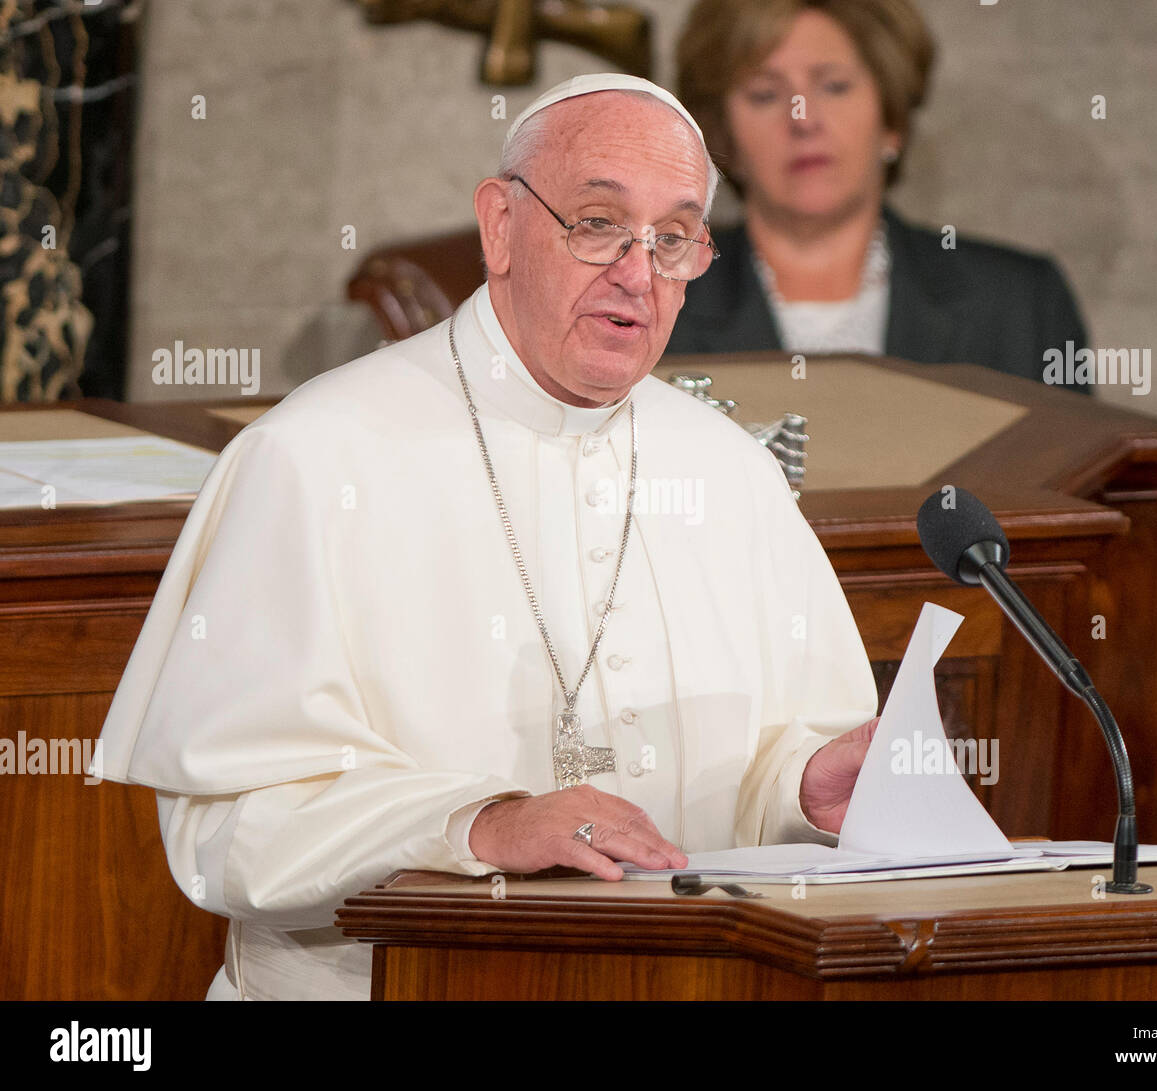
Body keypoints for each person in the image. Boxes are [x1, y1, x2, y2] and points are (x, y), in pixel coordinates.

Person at [95, 74, 880, 1001]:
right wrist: (480, 825)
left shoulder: (729, 474)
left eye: (672, 239)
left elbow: (751, 791)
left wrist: (803, 791)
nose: (638, 271)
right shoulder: (314, 457)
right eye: (597, 222)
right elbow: (223, 828)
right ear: (499, 226)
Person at [668, 0, 1090, 392]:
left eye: (833, 86)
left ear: (891, 121)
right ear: (723, 135)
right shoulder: (658, 297)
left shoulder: (1018, 302)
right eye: (765, 94)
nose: (803, 119)